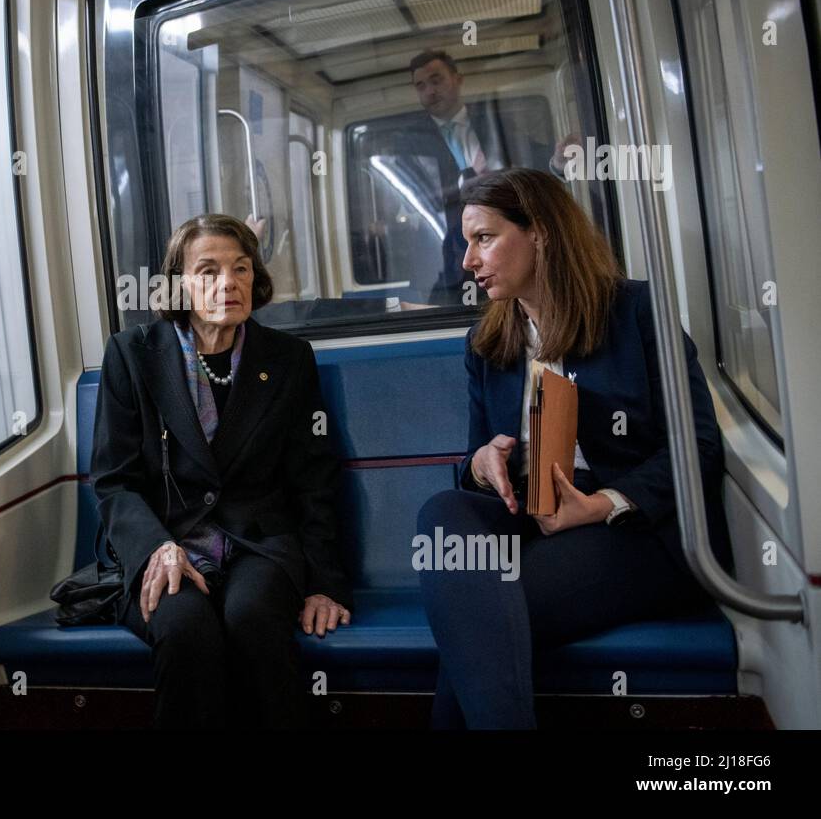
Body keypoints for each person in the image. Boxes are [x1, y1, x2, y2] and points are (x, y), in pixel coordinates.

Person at [415, 167, 733, 729]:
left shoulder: (635, 312)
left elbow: (699, 447)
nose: (467, 262)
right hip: (534, 511)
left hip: (634, 527)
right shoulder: (487, 342)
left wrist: (601, 503)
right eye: (467, 243)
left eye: (483, 238)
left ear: (539, 231)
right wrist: (485, 466)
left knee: (477, 620)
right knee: (443, 511)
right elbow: (474, 464)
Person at [91, 213, 353, 728]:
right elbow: (114, 480)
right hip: (164, 544)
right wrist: (154, 547)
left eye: (240, 268)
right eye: (208, 270)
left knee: (252, 620)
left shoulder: (288, 359)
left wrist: (326, 583)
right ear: (179, 283)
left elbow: (313, 480)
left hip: (259, 543)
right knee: (186, 629)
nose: (228, 283)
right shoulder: (132, 355)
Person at [366, 50, 578, 303]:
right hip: (444, 261)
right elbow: (416, 199)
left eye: (436, 80)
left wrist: (557, 162)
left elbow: (533, 165)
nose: (430, 91)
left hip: (506, 253)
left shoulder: (494, 123)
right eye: (420, 86)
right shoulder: (406, 141)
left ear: (457, 79)